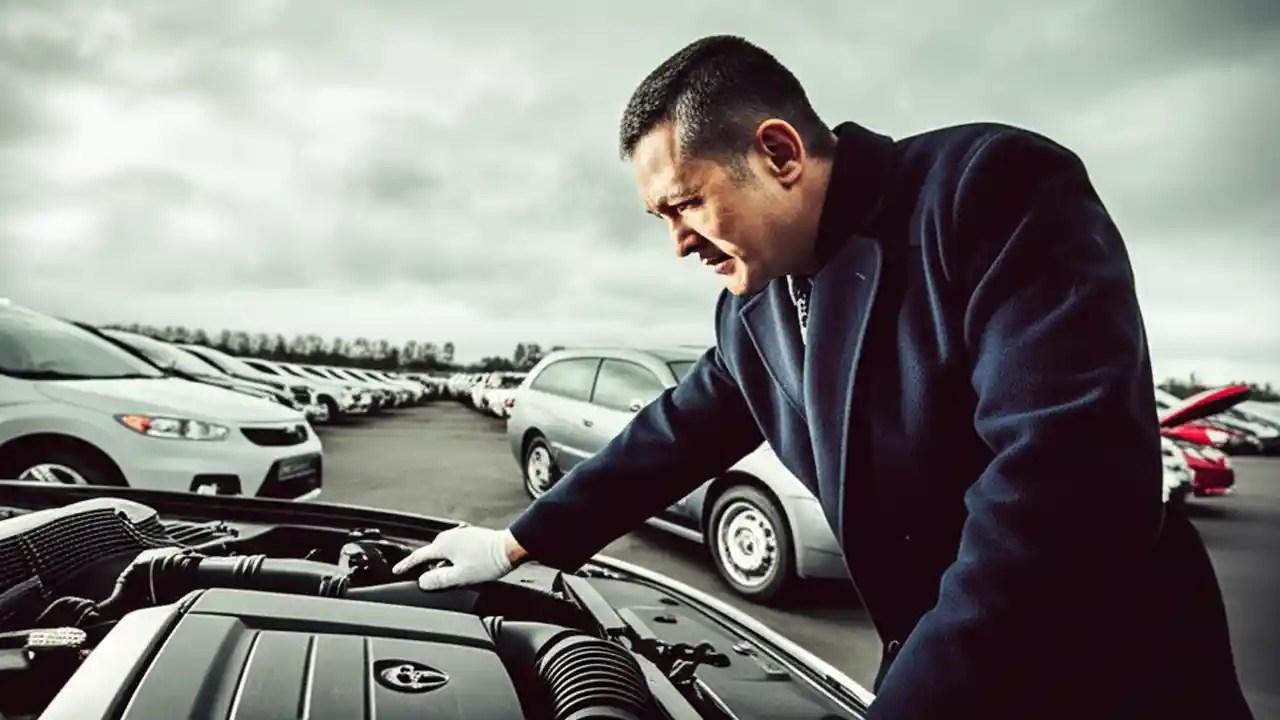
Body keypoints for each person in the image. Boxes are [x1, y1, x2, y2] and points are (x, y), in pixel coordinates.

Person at [393, 36, 1252, 719]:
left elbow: (1064, 487)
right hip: (935, 675)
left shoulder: (988, 191)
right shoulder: (752, 312)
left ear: (778, 152)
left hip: (1105, 679)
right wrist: (511, 544)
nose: (678, 243)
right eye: (661, 218)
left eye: (685, 204)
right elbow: (671, 435)